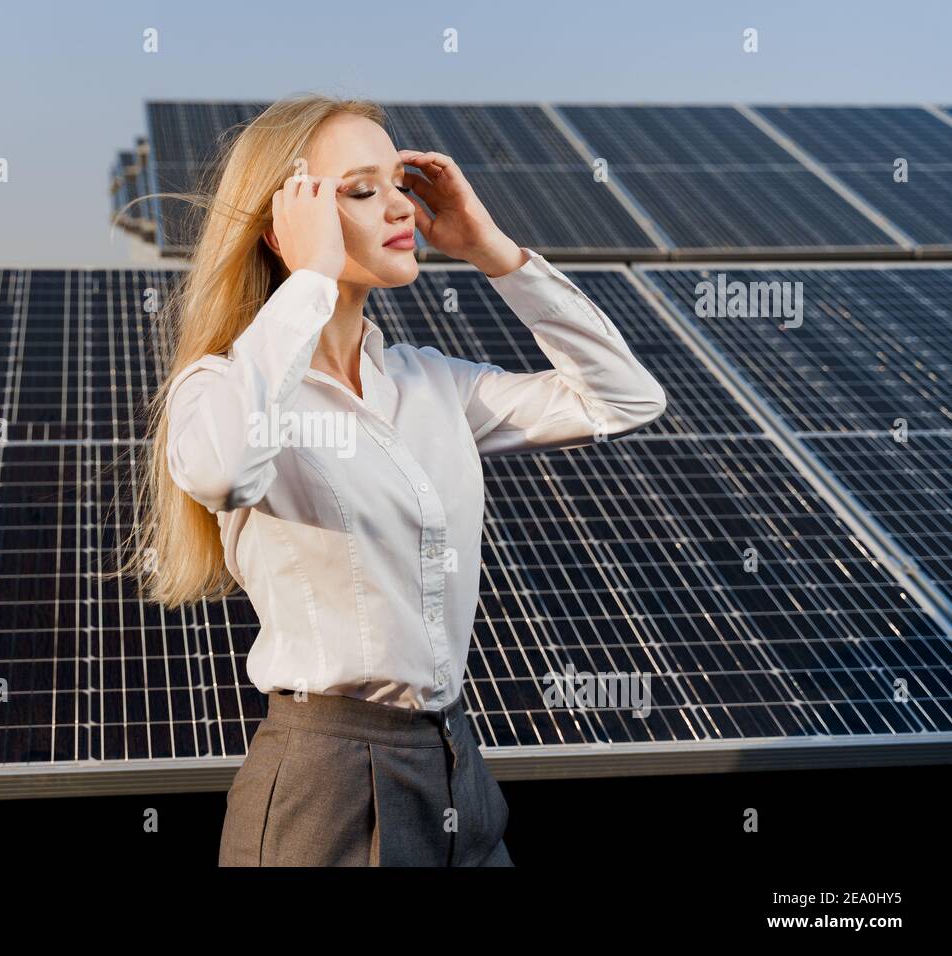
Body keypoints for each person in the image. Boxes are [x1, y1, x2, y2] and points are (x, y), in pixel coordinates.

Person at [122, 93, 667, 866]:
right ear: (286, 226)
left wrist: (493, 250)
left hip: (457, 766)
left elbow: (625, 398)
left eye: (398, 182)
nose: (399, 206)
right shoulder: (222, 387)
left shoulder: (430, 383)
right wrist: (308, 282)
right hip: (328, 788)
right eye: (359, 189)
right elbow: (224, 470)